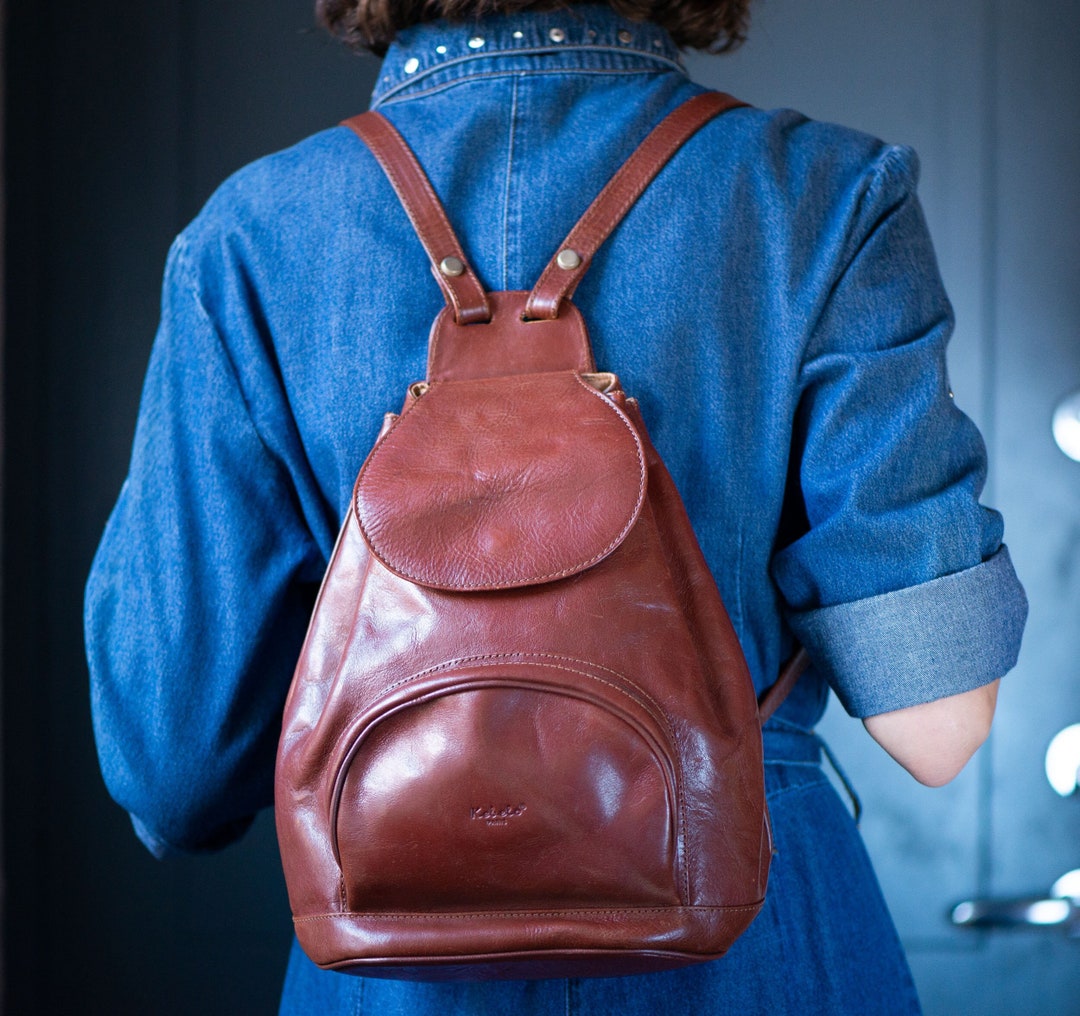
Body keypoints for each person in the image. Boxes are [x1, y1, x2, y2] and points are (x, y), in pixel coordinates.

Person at [84, 1, 1028, 1012]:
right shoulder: (826, 197)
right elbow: (938, 723)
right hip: (753, 947)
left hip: (393, 959)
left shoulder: (249, 238)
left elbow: (171, 776)